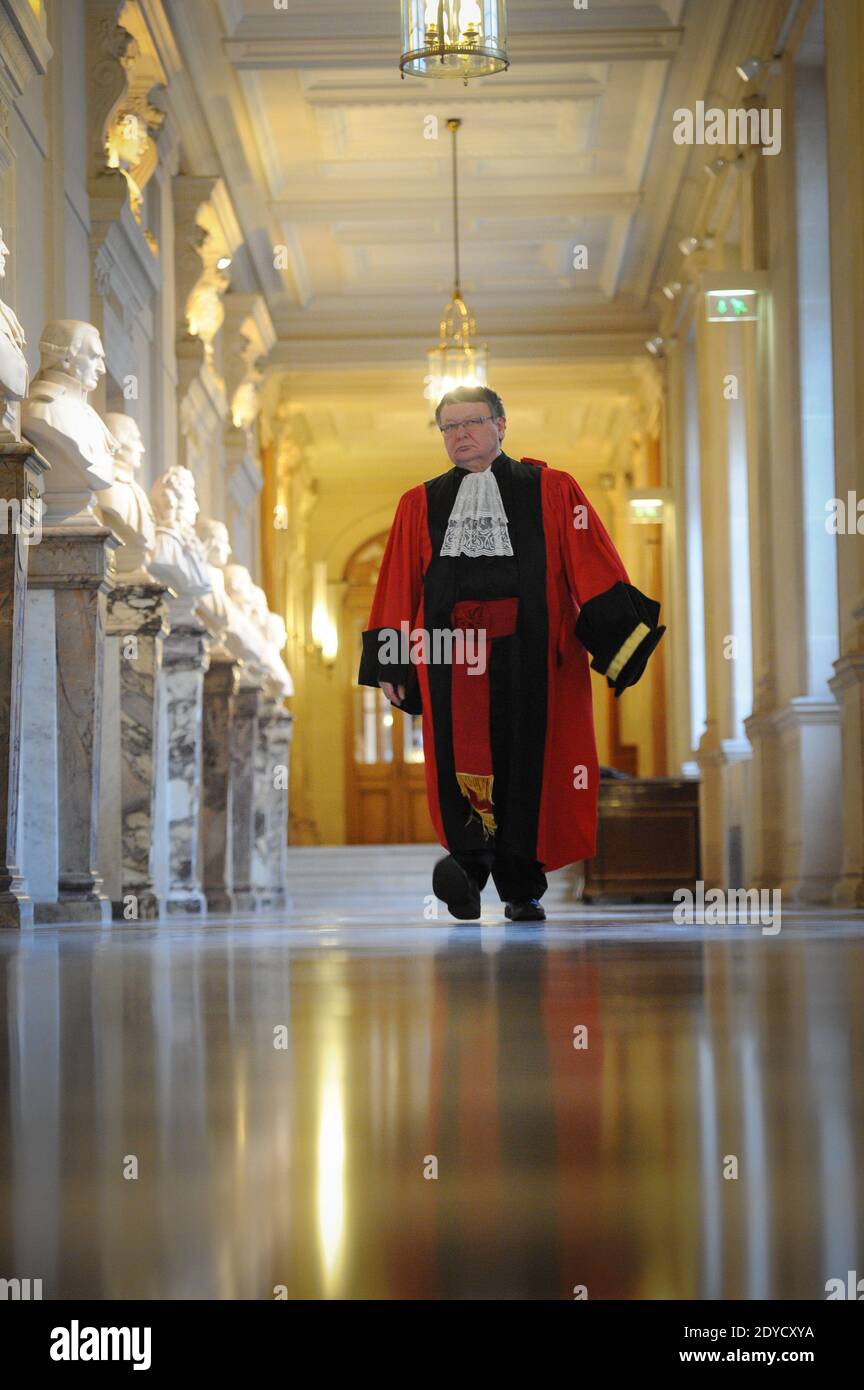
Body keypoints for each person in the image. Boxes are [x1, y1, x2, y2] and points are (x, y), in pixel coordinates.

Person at [357, 386, 665, 923]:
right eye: (449, 427)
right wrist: (392, 662)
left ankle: (522, 886)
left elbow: (589, 562)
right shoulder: (418, 503)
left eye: (472, 422)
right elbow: (398, 583)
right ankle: (469, 871)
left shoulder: (550, 488)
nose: (460, 436)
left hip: (531, 654)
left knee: (528, 764)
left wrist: (621, 639)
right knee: (457, 762)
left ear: (501, 424)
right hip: (450, 658)